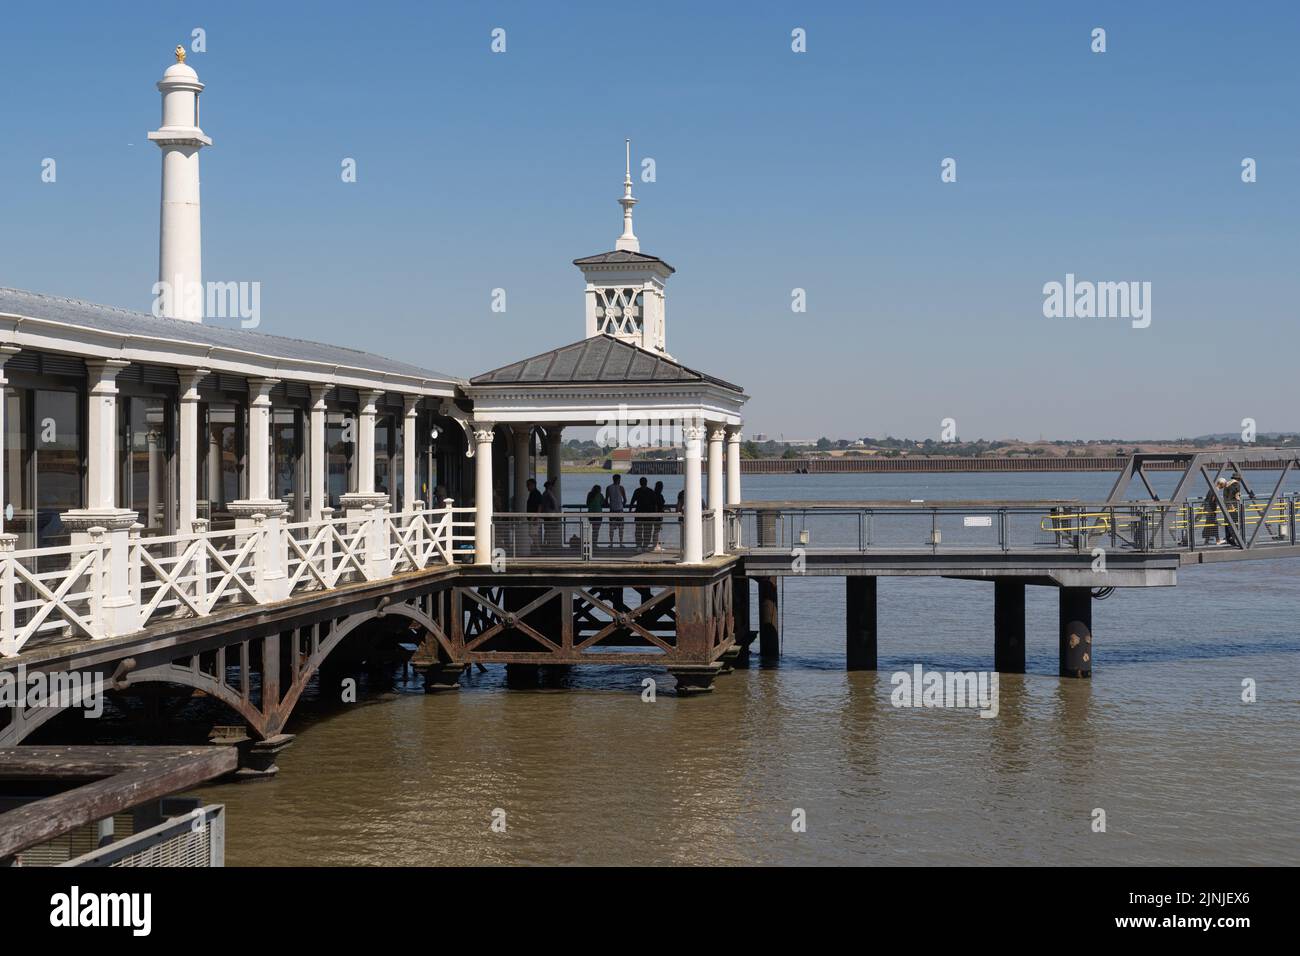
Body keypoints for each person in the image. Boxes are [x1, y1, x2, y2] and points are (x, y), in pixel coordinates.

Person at [631, 476, 656, 550]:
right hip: (649, 514)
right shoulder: (651, 491)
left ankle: (639, 545)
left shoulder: (637, 491)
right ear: (646, 482)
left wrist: (630, 510)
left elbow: (632, 501)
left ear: (640, 483)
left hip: (639, 513)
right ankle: (645, 545)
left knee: (638, 530)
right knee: (647, 530)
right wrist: (654, 514)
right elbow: (654, 504)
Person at [605, 473, 627, 546]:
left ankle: (611, 543)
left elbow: (606, 500)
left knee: (611, 528)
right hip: (620, 510)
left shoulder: (608, 487)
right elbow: (625, 499)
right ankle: (621, 543)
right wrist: (622, 505)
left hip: (612, 510)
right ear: (619, 479)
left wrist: (609, 505)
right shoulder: (621, 488)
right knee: (621, 528)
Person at [541, 478, 561, 549]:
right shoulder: (548, 494)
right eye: (552, 486)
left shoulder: (545, 493)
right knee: (548, 529)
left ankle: (547, 542)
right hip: (549, 514)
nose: (553, 487)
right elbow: (553, 504)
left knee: (547, 529)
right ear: (549, 486)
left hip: (547, 514)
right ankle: (547, 543)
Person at [586, 483, 605, 551]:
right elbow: (603, 503)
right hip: (598, 514)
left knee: (592, 530)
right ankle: (595, 544)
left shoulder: (589, 494)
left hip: (591, 514)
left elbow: (587, 504)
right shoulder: (600, 495)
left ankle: (591, 543)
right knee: (596, 531)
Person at [651, 480, 666, 551]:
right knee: (656, 530)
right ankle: (656, 545)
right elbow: (657, 505)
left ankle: (656, 544)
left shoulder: (654, 494)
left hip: (657, 514)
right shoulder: (659, 495)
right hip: (658, 515)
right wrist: (656, 514)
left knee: (656, 530)